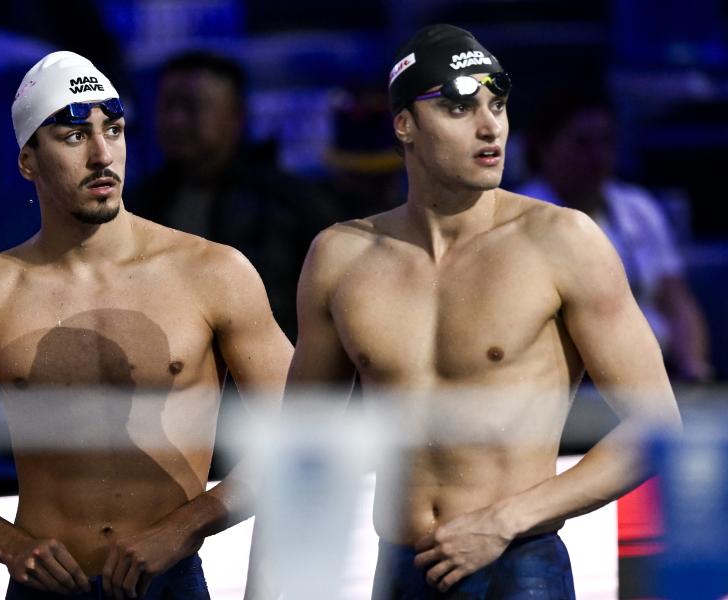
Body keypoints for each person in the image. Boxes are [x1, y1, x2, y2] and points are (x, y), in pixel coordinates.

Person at [268, 24, 682, 598]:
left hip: (519, 561)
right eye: (460, 108)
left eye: (498, 104)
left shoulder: (561, 240)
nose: (490, 127)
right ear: (405, 125)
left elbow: (659, 428)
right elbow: (300, 446)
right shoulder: (341, 256)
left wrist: (503, 521)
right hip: (401, 565)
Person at [0, 51, 291, 599]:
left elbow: (308, 435)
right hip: (45, 584)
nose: (101, 155)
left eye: (113, 130)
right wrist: (7, 544)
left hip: (169, 579)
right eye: (73, 136)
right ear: (28, 161)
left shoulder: (212, 273)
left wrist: (187, 527)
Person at [132, 50, 335, 338]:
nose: (176, 121)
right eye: (167, 106)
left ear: (236, 117)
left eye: (192, 107)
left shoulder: (291, 203)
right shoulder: (137, 205)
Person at [518, 92, 713, 382]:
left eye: (606, 142)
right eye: (581, 144)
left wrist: (695, 369)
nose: (597, 157)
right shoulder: (519, 217)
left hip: (659, 374)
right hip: (569, 385)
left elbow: (675, 300)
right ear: (543, 147)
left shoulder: (638, 207)